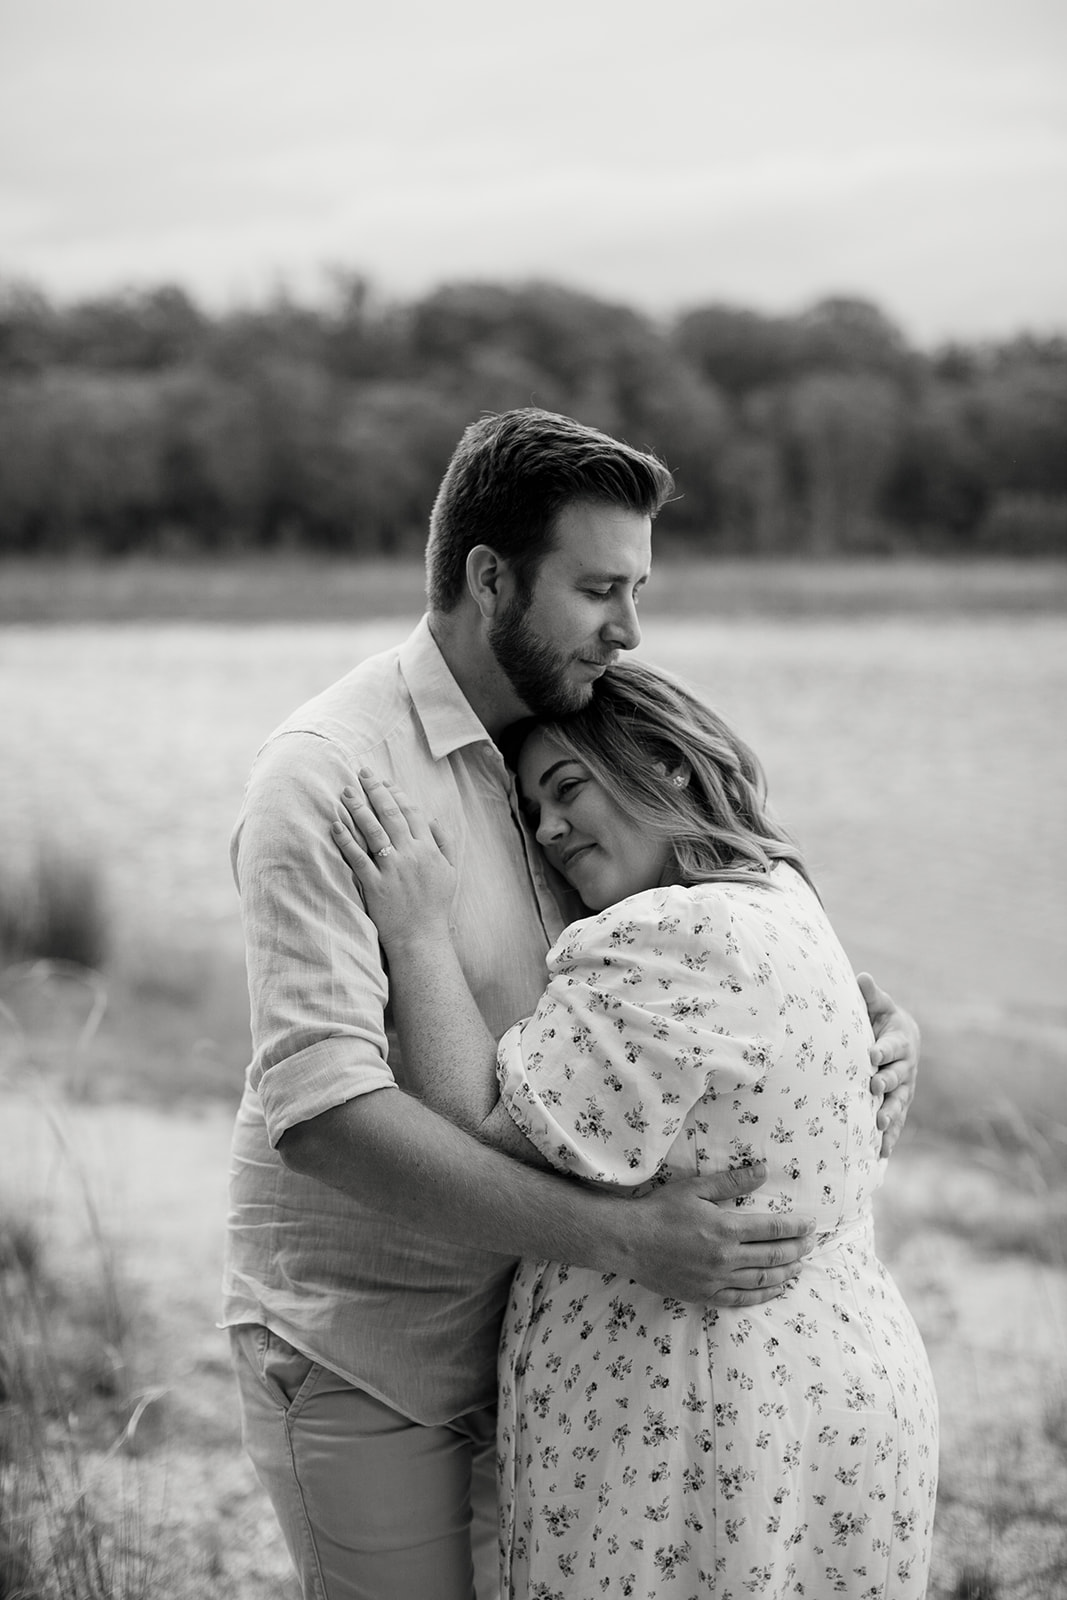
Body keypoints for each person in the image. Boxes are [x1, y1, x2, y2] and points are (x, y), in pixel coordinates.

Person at [222, 408, 919, 1600]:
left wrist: (861, 1037)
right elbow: (324, 1115)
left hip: (558, 1354)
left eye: (635, 589)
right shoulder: (331, 775)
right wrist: (626, 1239)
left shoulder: (584, 755)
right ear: (489, 579)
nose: (628, 627)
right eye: (598, 589)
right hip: (371, 1350)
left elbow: (709, 967)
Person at [332, 658, 938, 1600]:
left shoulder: (672, 931)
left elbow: (479, 1121)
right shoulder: (781, 891)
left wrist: (414, 928)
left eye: (567, 787)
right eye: (532, 811)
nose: (549, 828)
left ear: (665, 764)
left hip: (700, 1416)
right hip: (841, 1386)